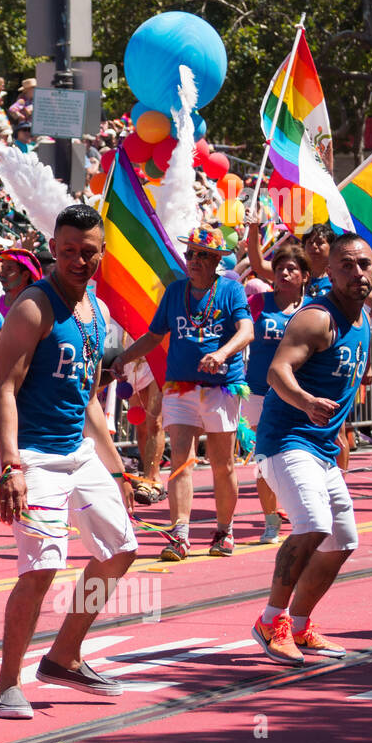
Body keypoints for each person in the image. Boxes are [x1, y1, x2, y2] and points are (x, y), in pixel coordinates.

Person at [0, 204, 138, 720]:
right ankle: (7, 684)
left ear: (101, 254)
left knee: (121, 549)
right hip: (31, 455)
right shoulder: (34, 307)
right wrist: (11, 465)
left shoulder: (93, 310)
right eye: (69, 251)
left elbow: (89, 397)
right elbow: (4, 387)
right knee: (42, 568)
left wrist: (117, 469)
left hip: (78, 453)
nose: (79, 260)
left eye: (88, 252)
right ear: (53, 250)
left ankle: (63, 655)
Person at [250, 233, 372, 666]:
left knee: (342, 541)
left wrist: (340, 433)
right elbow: (276, 370)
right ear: (330, 271)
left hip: (322, 449)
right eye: (347, 265)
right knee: (313, 523)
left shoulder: (364, 323)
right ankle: (271, 621)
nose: (357, 272)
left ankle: (300, 625)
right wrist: (306, 402)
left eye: (363, 264)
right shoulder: (317, 318)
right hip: (286, 441)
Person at [112, 226, 253, 559]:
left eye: (201, 255)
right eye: (189, 254)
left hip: (221, 388)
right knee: (180, 464)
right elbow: (153, 335)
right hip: (179, 387)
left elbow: (247, 331)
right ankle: (180, 535)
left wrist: (221, 354)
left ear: (217, 259)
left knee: (223, 465)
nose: (193, 260)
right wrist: (123, 358)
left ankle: (224, 530)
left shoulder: (231, 291)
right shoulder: (175, 292)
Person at [243, 245, 310, 543]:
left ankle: (303, 516)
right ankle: (271, 522)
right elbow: (237, 330)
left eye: (291, 268)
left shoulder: (313, 310)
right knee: (266, 461)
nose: (284, 272)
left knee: (298, 458)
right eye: (280, 267)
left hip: (298, 395)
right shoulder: (258, 302)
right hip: (258, 393)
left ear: (304, 275)